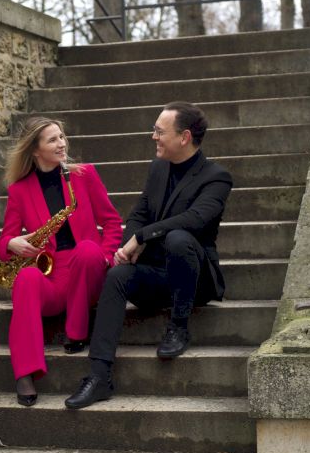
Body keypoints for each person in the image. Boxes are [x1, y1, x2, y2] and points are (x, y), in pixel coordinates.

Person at [64, 102, 233, 409]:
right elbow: (140, 214)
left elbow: (195, 219)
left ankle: (178, 327)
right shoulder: (158, 168)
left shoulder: (217, 177)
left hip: (195, 280)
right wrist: (129, 244)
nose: (153, 136)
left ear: (183, 137)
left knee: (180, 238)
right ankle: (99, 375)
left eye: (159, 131)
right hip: (157, 275)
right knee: (116, 276)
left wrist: (141, 238)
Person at [0, 117, 123, 407]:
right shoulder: (19, 190)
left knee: (89, 249)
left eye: (62, 137)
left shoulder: (84, 175)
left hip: (88, 268)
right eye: (52, 140)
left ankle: (76, 332)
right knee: (26, 279)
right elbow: (4, 246)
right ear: (35, 150)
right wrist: (11, 243)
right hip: (53, 275)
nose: (62, 144)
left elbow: (113, 223)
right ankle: (25, 372)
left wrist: (104, 258)